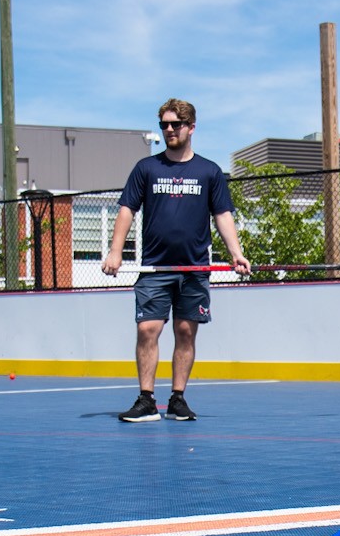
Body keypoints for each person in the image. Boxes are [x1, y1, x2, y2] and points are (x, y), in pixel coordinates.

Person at [100, 98, 251, 422]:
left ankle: (178, 399)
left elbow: (222, 215)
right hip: (155, 268)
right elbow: (127, 209)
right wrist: (115, 251)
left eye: (175, 124)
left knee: (185, 332)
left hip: (194, 268)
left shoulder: (209, 171)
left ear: (191, 127)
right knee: (148, 330)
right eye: (164, 125)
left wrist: (236, 254)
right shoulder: (147, 168)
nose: (169, 130)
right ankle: (146, 399)